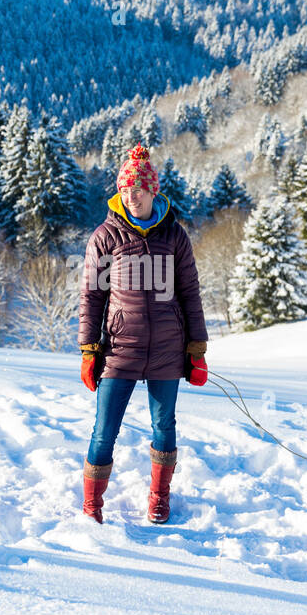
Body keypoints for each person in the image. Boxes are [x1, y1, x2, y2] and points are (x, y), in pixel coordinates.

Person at [78, 144, 209, 524]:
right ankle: (92, 504)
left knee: (164, 427)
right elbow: (91, 296)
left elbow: (190, 293)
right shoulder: (106, 237)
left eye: (137, 189)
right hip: (120, 349)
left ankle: (159, 496)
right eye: (124, 190)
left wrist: (196, 349)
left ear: (153, 191)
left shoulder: (175, 237)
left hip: (168, 350)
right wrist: (89, 350)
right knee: (104, 431)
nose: (130, 196)